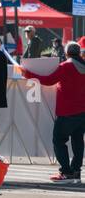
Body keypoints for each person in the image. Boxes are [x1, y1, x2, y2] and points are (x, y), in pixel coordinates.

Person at [20, 41, 85, 183]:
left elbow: (49, 80)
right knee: (78, 141)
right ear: (79, 52)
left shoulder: (66, 66)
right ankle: (76, 172)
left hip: (67, 111)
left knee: (59, 140)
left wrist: (28, 73)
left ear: (67, 53)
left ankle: (66, 172)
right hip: (82, 112)